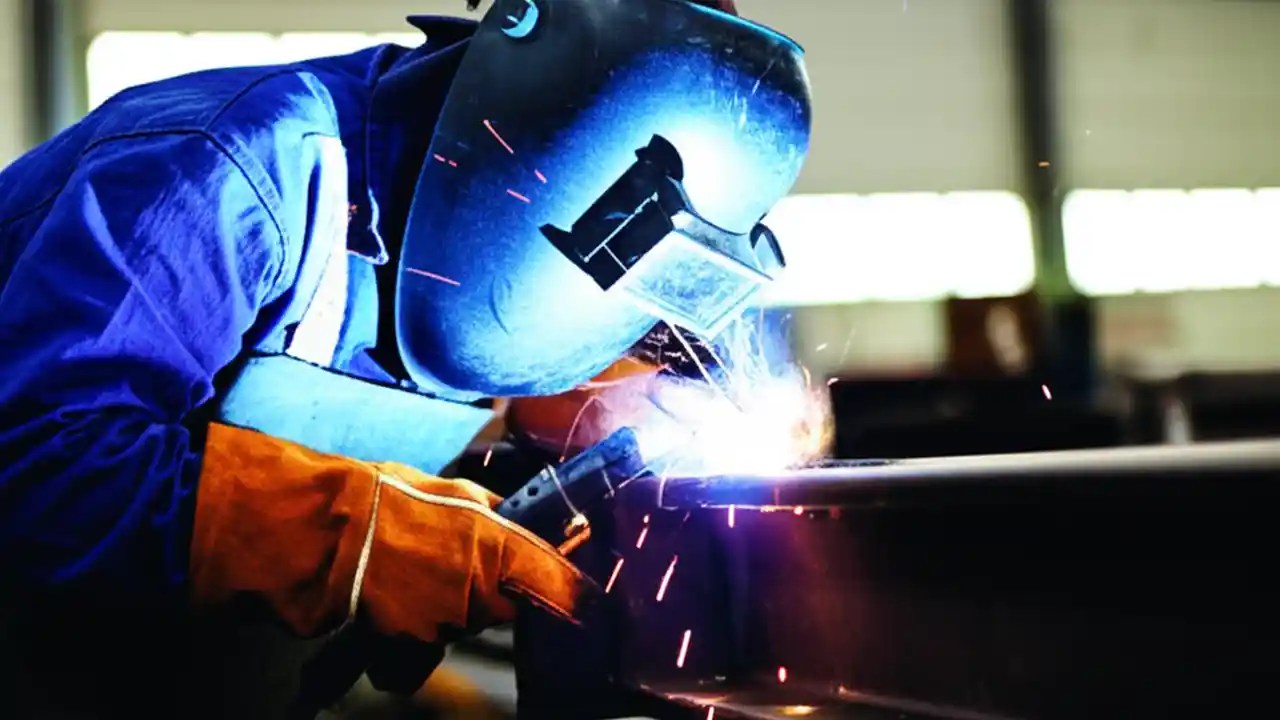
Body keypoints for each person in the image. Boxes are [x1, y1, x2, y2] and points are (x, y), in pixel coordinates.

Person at [0, 0, 811, 716]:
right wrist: (358, 540)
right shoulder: (240, 168)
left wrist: (594, 417)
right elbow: (38, 467)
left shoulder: (520, 242)